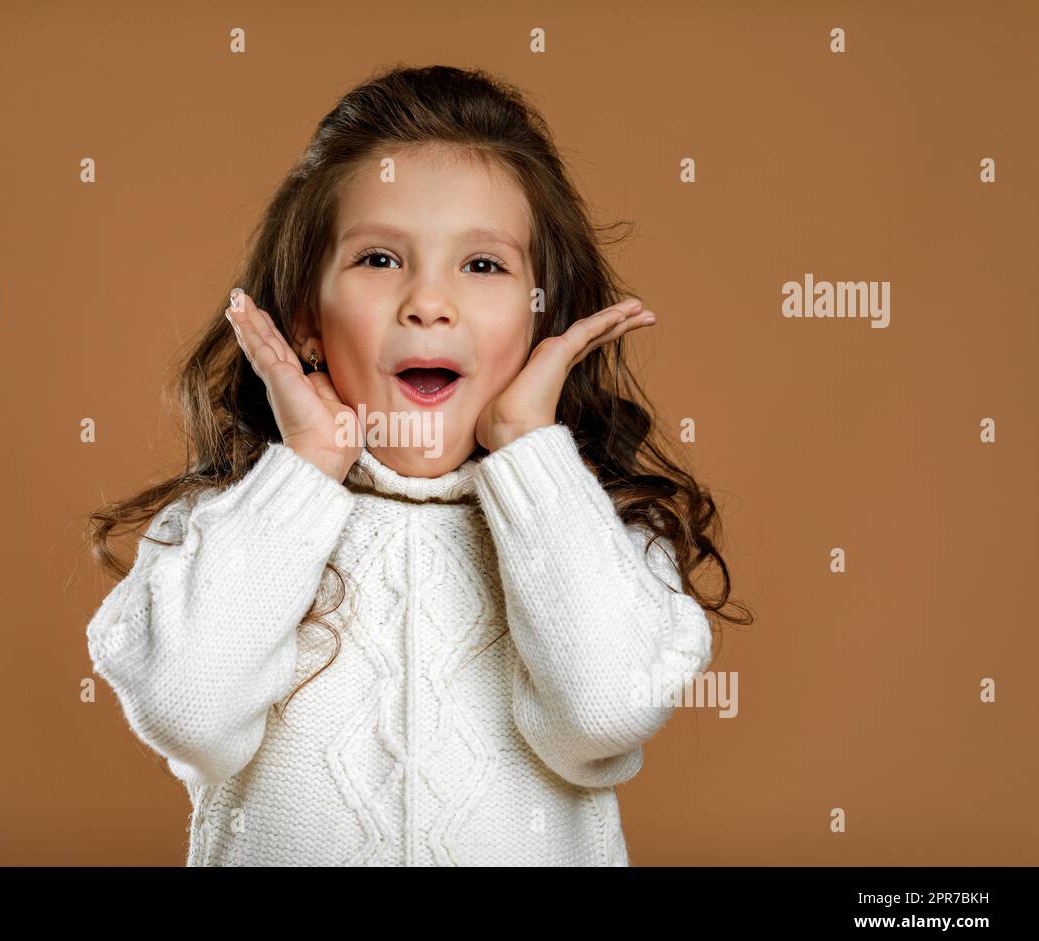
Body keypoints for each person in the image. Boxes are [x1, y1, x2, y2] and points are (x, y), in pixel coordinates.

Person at [85, 64, 748, 866]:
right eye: (378, 260)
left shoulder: (603, 534)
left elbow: (600, 711)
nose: (428, 303)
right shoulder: (227, 529)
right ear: (304, 320)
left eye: (482, 266)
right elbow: (187, 708)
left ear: (547, 321)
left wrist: (531, 451)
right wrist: (306, 466)